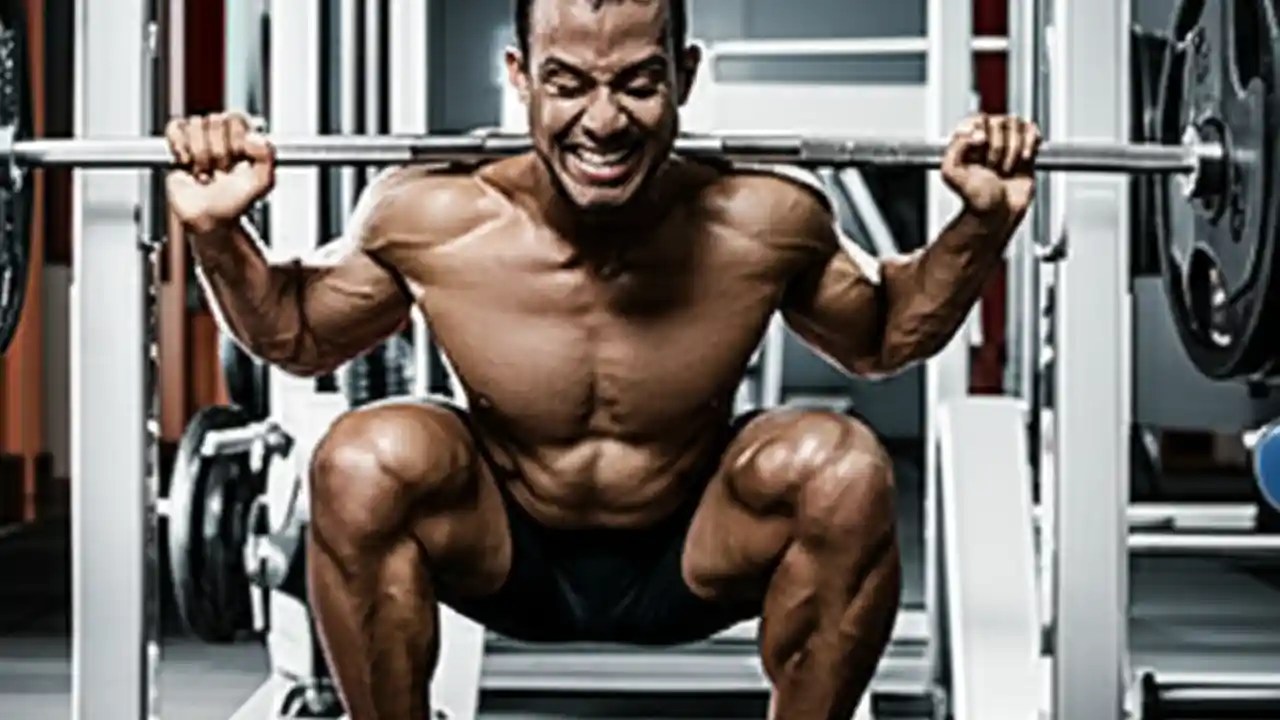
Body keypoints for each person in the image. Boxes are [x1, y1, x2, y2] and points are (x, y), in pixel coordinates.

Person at [165, 0, 1040, 717]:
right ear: (520, 79)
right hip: (505, 548)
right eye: (569, 84)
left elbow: (884, 335)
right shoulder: (434, 214)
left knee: (843, 469)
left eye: (638, 83)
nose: (604, 120)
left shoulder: (762, 218)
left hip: (693, 549)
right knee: (359, 459)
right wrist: (217, 232)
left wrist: (981, 224)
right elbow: (296, 333)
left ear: (685, 77)